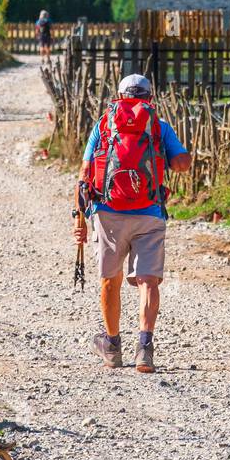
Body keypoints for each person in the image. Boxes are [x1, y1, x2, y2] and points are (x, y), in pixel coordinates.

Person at [73, 73, 191, 373]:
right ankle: (145, 348)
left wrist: (80, 220)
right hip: (149, 212)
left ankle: (112, 347)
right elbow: (181, 164)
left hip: (107, 211)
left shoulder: (103, 126)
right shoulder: (159, 127)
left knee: (110, 280)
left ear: (119, 96)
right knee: (147, 281)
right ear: (150, 98)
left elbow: (85, 173)